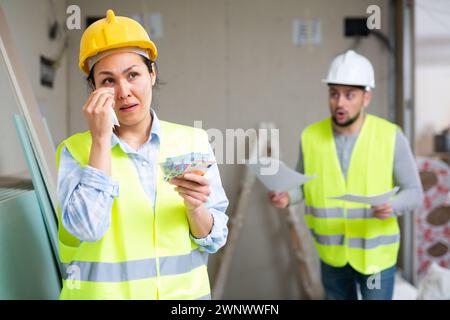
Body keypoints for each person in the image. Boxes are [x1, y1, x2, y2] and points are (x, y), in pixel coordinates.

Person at [56, 9, 229, 300]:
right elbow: (85, 229)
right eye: (108, 81)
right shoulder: (75, 151)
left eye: (133, 74)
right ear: (94, 89)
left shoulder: (193, 141)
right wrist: (101, 140)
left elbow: (214, 239)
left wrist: (195, 208)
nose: (124, 92)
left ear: (152, 73)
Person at [268, 50, 423, 300]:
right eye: (334, 94)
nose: (340, 103)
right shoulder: (310, 136)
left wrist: (392, 206)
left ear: (366, 97)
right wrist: (287, 197)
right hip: (332, 255)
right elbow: (303, 186)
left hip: (374, 258)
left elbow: (415, 193)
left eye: (349, 95)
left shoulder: (390, 136)